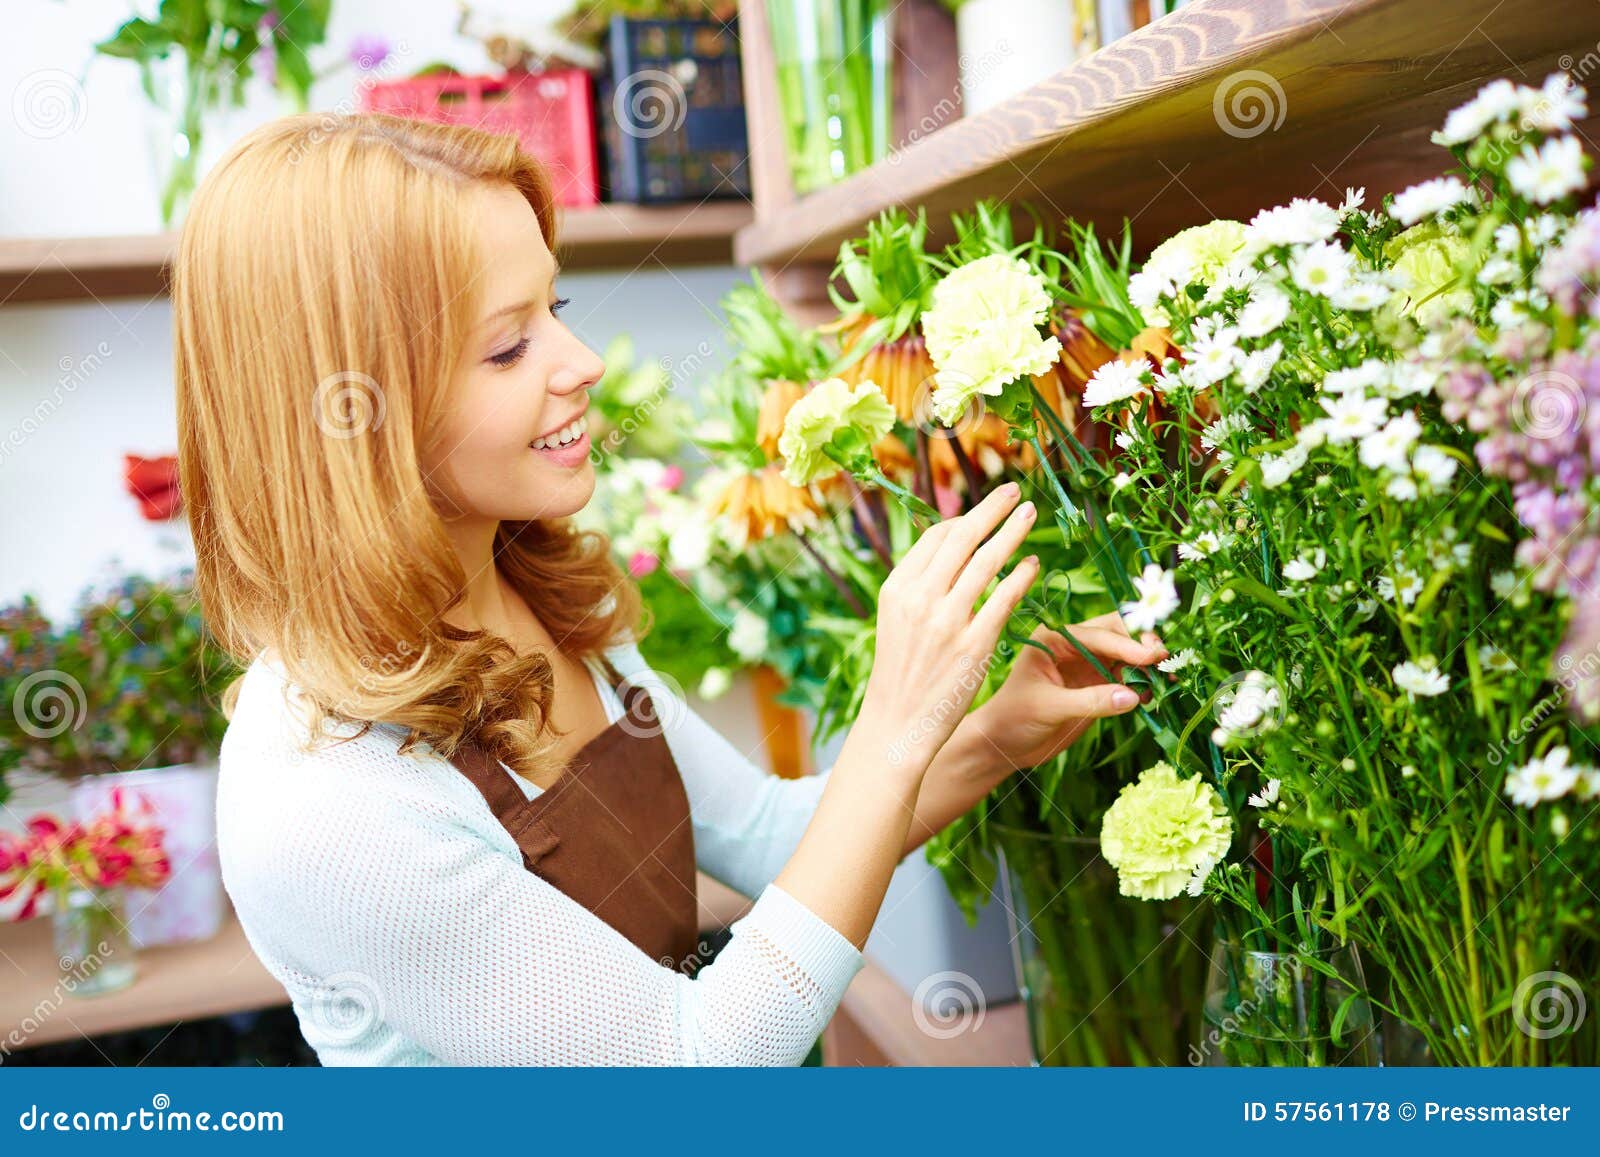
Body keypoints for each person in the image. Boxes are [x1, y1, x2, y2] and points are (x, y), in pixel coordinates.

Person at [176, 114, 1163, 1066]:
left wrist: (992, 729)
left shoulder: (532, 594)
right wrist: (895, 723)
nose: (584, 364)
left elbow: (780, 842)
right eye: (508, 346)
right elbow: (691, 1062)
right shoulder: (324, 797)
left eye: (552, 312)